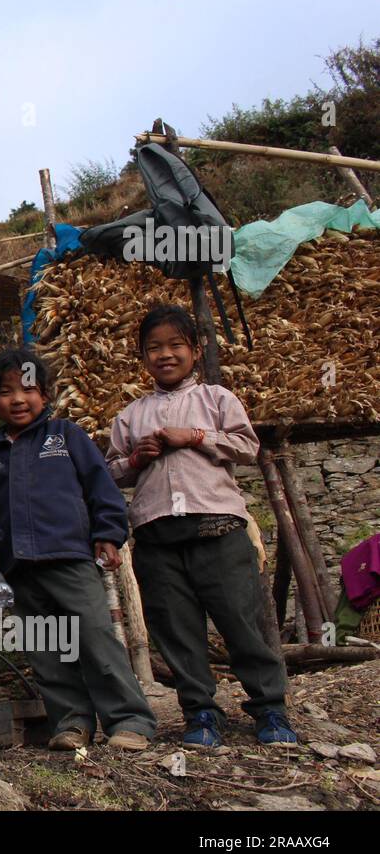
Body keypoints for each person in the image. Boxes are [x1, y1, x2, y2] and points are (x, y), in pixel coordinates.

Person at [107, 304, 297, 749]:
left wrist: (194, 437)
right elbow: (111, 471)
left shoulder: (216, 399)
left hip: (218, 528)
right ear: (143, 356)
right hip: (156, 535)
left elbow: (247, 446)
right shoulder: (131, 415)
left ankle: (270, 709)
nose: (165, 355)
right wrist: (137, 458)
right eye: (154, 348)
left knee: (241, 622)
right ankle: (201, 715)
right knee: (176, 629)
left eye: (175, 345)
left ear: (194, 350)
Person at [0, 348, 157, 752]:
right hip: (19, 568)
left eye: (28, 389)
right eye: (6, 392)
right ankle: (72, 721)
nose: (18, 399)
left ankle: (129, 720)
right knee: (47, 647)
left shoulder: (66, 436)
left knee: (95, 637)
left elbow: (101, 489)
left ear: (45, 395)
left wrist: (109, 534)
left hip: (71, 558)